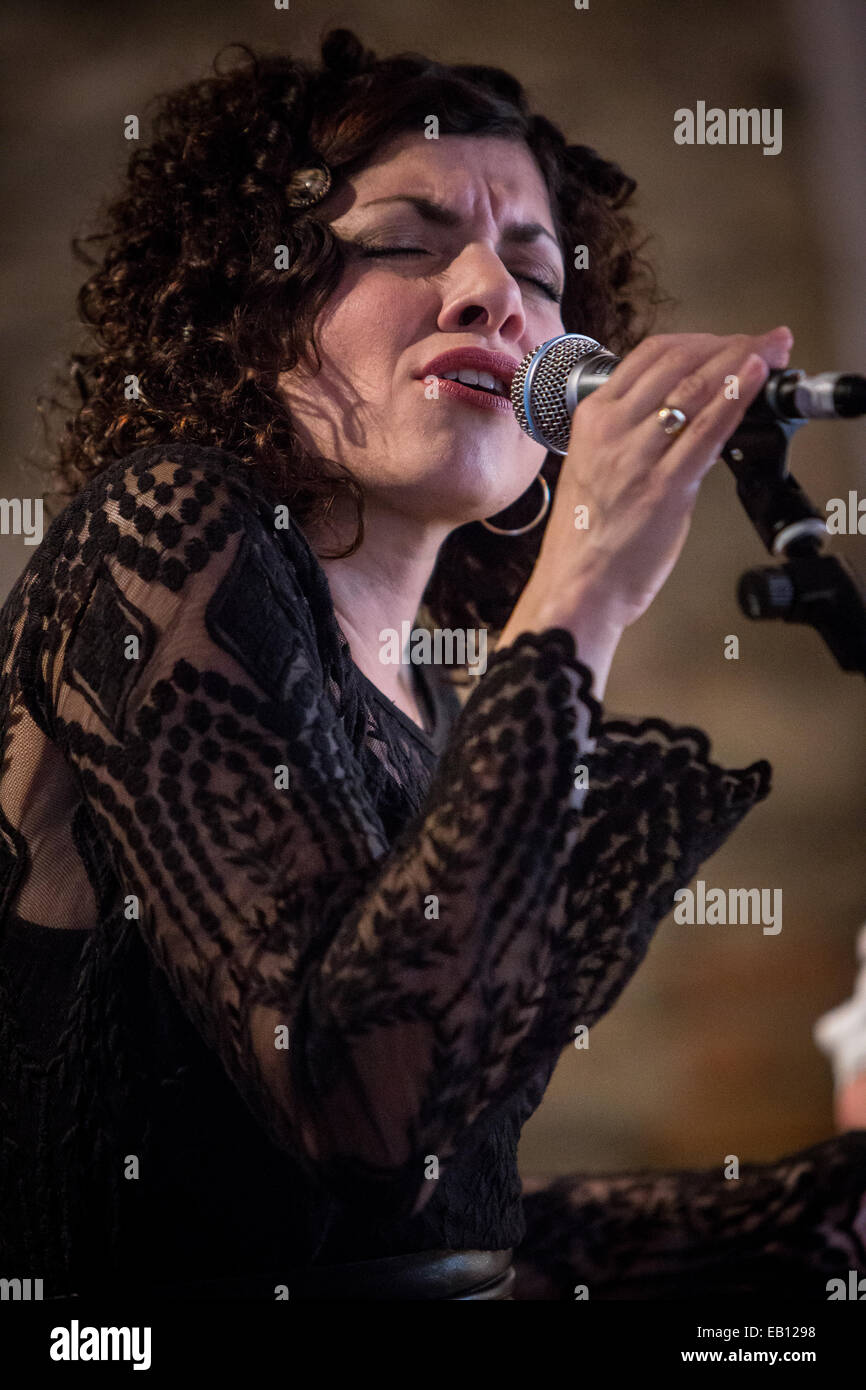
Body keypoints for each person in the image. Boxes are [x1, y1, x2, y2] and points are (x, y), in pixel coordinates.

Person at [1, 27, 863, 1302]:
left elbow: (427, 1221)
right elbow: (355, 1108)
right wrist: (586, 580)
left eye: (535, 265)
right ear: (253, 306)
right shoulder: (159, 530)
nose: (492, 295)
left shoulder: (441, 713)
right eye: (406, 242)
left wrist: (808, 1213)